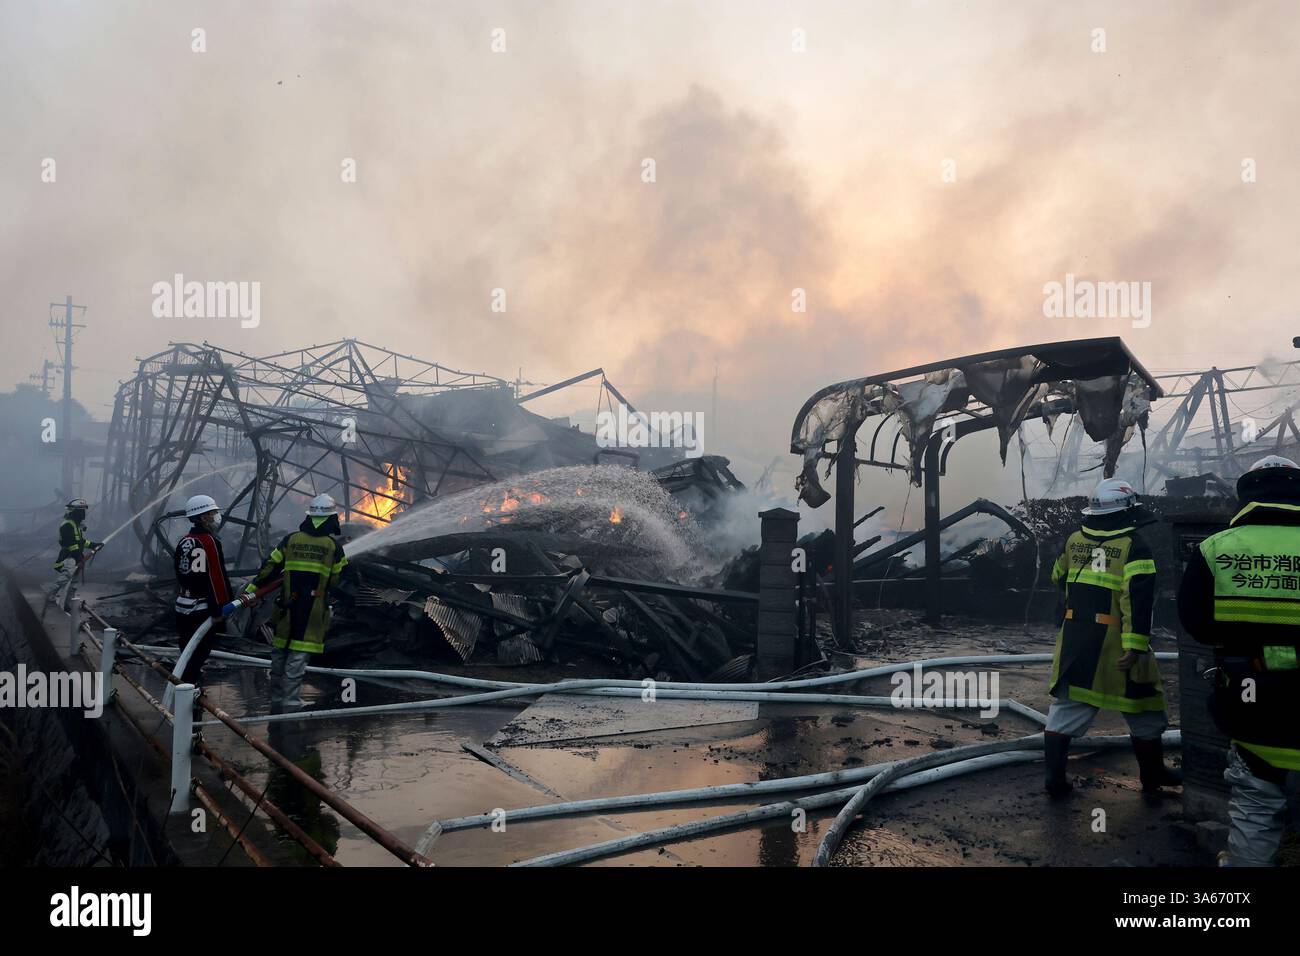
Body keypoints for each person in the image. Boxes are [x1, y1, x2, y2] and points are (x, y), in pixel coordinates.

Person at [1178, 455, 1300, 866]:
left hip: (1252, 705)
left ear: (1246, 495)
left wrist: (1246, 647)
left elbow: (1196, 623)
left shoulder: (1216, 548)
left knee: (1255, 811)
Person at [1044, 476, 1181, 798]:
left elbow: (1057, 576)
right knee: (1143, 704)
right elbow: (1138, 599)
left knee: (1068, 706)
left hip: (1075, 638)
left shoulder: (1074, 539)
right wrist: (1134, 645)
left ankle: (1054, 778)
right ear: (1127, 512)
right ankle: (1153, 775)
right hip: (1116, 642)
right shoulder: (1135, 546)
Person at [249, 494, 349, 713]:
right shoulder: (333, 546)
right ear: (332, 519)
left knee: (280, 652)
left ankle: (276, 700)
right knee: (298, 655)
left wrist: (251, 590)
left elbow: (269, 567)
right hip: (313, 609)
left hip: (286, 606)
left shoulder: (291, 539)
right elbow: (336, 579)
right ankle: (291, 704)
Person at [173, 494, 234, 690]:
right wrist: (220, 610)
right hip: (201, 609)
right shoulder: (209, 542)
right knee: (199, 653)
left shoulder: (185, 540)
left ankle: (185, 687)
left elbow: (180, 573)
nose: (216, 516)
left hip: (183, 605)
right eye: (212, 513)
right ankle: (189, 693)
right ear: (201, 517)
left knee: (186, 650)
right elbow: (215, 579)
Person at [52, 498, 101, 611]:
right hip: (69, 556)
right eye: (81, 511)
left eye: (83, 511)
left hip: (76, 555)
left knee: (73, 583)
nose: (83, 514)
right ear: (74, 512)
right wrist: (79, 557)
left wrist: (93, 545)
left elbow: (80, 541)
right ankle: (50, 595)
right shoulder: (67, 525)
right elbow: (71, 543)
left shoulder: (75, 525)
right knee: (66, 576)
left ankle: (68, 605)